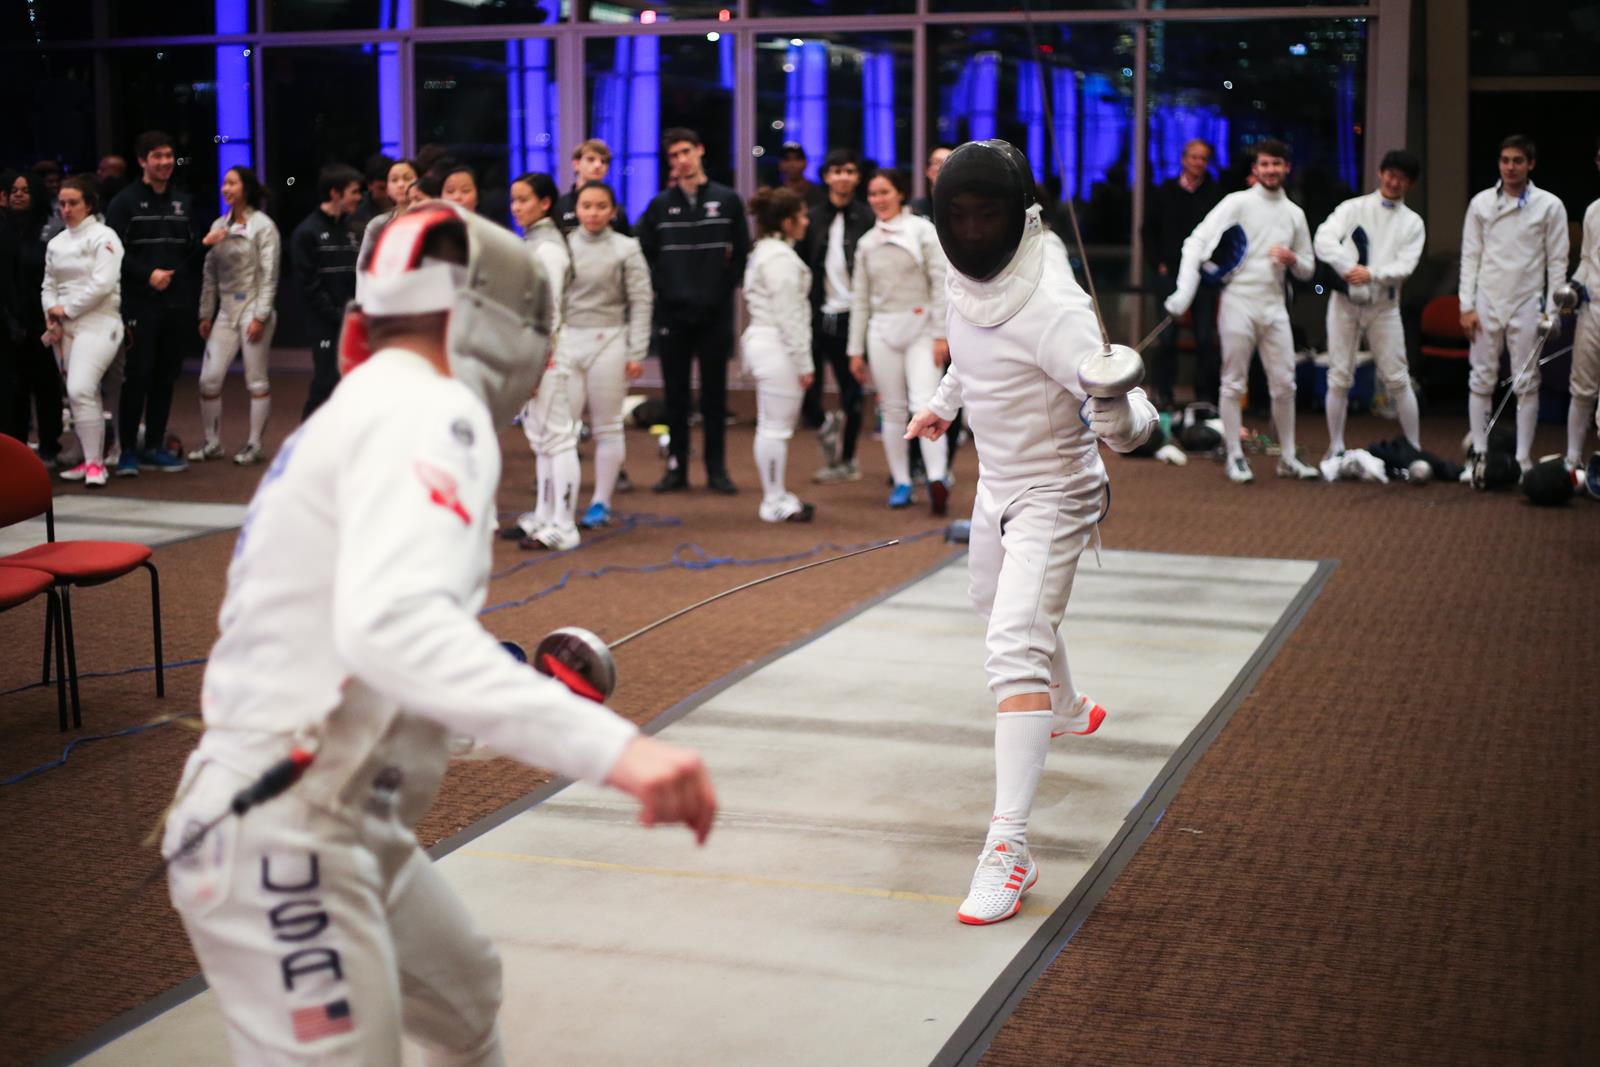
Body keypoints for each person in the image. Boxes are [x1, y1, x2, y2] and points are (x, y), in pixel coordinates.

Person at [162, 201, 715, 1066]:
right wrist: (616, 749)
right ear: (491, 322)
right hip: (282, 834)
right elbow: (393, 627)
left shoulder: (372, 405)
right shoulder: (429, 410)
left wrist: (510, 697)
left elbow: (367, 636)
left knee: (463, 997)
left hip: (345, 817)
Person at [905, 140, 1153, 925]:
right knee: (992, 601)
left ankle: (1008, 849)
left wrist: (1120, 405)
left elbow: (1129, 431)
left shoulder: (1054, 306)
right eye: (960, 214)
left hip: (1056, 490)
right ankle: (1069, 704)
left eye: (987, 214)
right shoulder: (964, 272)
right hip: (998, 479)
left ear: (1020, 216)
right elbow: (973, 343)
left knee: (1013, 641)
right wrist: (946, 399)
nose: (973, 227)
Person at [1164, 138, 1319, 483]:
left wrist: (1293, 260)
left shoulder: (1295, 214)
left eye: (1276, 164)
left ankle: (1288, 457)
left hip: (1275, 304)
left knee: (1285, 384)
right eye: (1264, 164)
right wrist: (1184, 291)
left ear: (1286, 168)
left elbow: (1309, 268)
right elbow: (1196, 242)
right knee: (1233, 382)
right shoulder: (1237, 203)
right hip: (1237, 301)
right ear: (1256, 169)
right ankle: (1235, 455)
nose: (1270, 170)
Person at [635, 127, 749, 494]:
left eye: (686, 151)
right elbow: (644, 256)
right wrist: (665, 290)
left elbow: (742, 252)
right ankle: (676, 468)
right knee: (675, 397)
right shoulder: (659, 206)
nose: (681, 160)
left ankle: (717, 470)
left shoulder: (727, 200)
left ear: (700, 150)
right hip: (673, 315)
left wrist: (721, 287)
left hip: (714, 313)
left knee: (715, 397)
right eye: (673, 156)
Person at [1459, 134, 1569, 474]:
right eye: (1505, 160)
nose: (1510, 167)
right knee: (1481, 378)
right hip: (1487, 298)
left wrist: (1553, 310)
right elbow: (1470, 257)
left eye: (1517, 161)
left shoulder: (1550, 206)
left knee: (1526, 381)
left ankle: (1522, 459)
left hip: (1527, 301)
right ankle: (1479, 453)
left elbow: (1558, 262)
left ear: (1530, 164)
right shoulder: (1481, 203)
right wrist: (1466, 306)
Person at [847, 168, 952, 513]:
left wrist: (941, 334)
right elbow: (860, 298)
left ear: (900, 193)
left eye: (885, 192)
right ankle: (902, 481)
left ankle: (937, 478)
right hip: (882, 331)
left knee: (927, 403)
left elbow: (941, 284)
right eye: (873, 194)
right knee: (891, 411)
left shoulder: (924, 232)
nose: (878, 199)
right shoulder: (866, 243)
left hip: (921, 327)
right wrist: (855, 350)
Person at [1313, 150, 1427, 461]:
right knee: (1339, 377)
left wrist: (1372, 274)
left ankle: (1414, 448)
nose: (1394, 181)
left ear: (1410, 184)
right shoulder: (1353, 208)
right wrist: (1347, 267)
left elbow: (1406, 265)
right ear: (1380, 173)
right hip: (1344, 303)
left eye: (1402, 178)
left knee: (1397, 378)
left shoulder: (1412, 223)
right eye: (1391, 174)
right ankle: (1335, 446)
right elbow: (1323, 239)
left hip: (1383, 306)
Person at [105, 129, 202, 475]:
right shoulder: (124, 202)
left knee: (165, 377)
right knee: (138, 376)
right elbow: (112, 251)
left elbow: (190, 251)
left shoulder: (183, 201)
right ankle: (128, 449)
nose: (164, 162)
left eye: (168, 155)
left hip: (176, 305)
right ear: (142, 161)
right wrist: (147, 275)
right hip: (138, 304)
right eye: (156, 156)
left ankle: (155, 446)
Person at [562, 181, 652, 531]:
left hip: (610, 341)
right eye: (587, 206)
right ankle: (561, 502)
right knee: (563, 430)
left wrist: (637, 350)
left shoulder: (627, 248)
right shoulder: (564, 247)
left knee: (608, 426)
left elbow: (641, 301)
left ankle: (601, 501)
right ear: (577, 209)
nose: (594, 212)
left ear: (612, 211)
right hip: (569, 340)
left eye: (601, 206)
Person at [508, 171, 580, 551]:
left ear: (545, 203)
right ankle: (544, 514)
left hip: (548, 354)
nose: (516, 207)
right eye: (514, 200)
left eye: (524, 200)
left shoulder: (548, 249)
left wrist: (537, 365)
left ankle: (565, 525)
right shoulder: (535, 244)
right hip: (534, 352)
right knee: (541, 439)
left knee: (557, 438)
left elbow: (548, 314)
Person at [191, 166, 280, 465]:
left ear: (246, 188)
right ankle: (212, 442)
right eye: (224, 183)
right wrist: (206, 311)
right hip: (226, 311)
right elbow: (209, 274)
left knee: (256, 380)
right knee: (209, 380)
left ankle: (255, 444)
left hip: (254, 306)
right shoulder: (219, 225)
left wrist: (260, 315)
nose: (225, 188)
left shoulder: (263, 226)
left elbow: (269, 275)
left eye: (232, 183)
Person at [42, 176, 124, 487]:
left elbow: (103, 284)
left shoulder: (105, 237)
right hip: (64, 328)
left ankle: (95, 465)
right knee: (77, 395)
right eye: (62, 203)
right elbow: (48, 285)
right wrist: (52, 312)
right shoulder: (56, 243)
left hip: (100, 322)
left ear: (88, 204)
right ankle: (91, 460)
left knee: (80, 388)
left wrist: (68, 308)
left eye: (73, 202)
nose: (66, 209)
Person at [742, 186, 817, 523]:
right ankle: (772, 500)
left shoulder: (767, 252)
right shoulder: (779, 258)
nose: (805, 221)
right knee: (775, 429)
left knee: (771, 426)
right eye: (800, 215)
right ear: (787, 222)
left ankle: (775, 495)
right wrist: (804, 361)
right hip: (777, 347)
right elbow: (790, 316)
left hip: (769, 344)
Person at [800, 149, 872, 480]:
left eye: (849, 171)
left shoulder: (869, 218)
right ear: (826, 176)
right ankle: (824, 424)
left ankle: (847, 459)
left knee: (852, 391)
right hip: (817, 315)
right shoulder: (811, 218)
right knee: (807, 389)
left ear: (857, 178)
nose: (842, 177)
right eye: (836, 171)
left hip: (851, 318)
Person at [1142, 139, 1223, 409]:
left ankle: (1203, 396)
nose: (1198, 163)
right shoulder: (1165, 191)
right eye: (1193, 157)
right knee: (1167, 338)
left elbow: (1224, 233)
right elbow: (1148, 230)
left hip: (1203, 276)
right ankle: (1165, 395)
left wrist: (1214, 266)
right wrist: (1158, 264)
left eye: (1203, 159)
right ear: (1183, 159)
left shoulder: (1215, 194)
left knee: (1203, 337)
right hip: (1169, 274)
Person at [290, 163, 362, 420]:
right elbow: (310, 287)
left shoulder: (351, 231)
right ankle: (305, 443)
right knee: (326, 383)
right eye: (353, 191)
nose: (358, 197)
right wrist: (337, 316)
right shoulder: (306, 233)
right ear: (335, 193)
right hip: (324, 324)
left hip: (350, 321)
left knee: (349, 384)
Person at [2, 169, 65, 464]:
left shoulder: (51, 229)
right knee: (15, 390)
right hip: (9, 321)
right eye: (13, 189)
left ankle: (50, 446)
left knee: (47, 386)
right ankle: (17, 449)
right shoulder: (3, 227)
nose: (18, 194)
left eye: (25, 190)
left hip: (43, 320)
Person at [1567, 139, 1600, 471]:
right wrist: (1573, 285)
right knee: (1581, 389)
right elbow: (1587, 262)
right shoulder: (1593, 211)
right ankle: (1572, 460)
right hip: (1592, 312)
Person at [355, 158, 420, 293]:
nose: (401, 184)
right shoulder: (377, 225)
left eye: (407, 178)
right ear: (388, 188)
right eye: (394, 180)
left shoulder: (433, 219)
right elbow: (363, 270)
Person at [555, 139, 632, 236]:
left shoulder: (617, 211)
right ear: (576, 164)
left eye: (603, 161)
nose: (598, 165)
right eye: (591, 159)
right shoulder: (560, 206)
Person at [907, 145, 953, 219]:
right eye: (936, 162)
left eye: (947, 162)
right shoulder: (916, 208)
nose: (940, 167)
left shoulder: (965, 207)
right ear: (927, 170)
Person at [775, 142, 824, 210]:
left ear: (805, 163)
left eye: (797, 159)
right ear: (780, 164)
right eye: (787, 159)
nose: (792, 164)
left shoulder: (820, 193)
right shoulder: (774, 195)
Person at [353, 152, 396, 228]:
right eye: (382, 188)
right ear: (369, 185)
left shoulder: (405, 205)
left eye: (390, 187)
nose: (388, 193)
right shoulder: (357, 215)